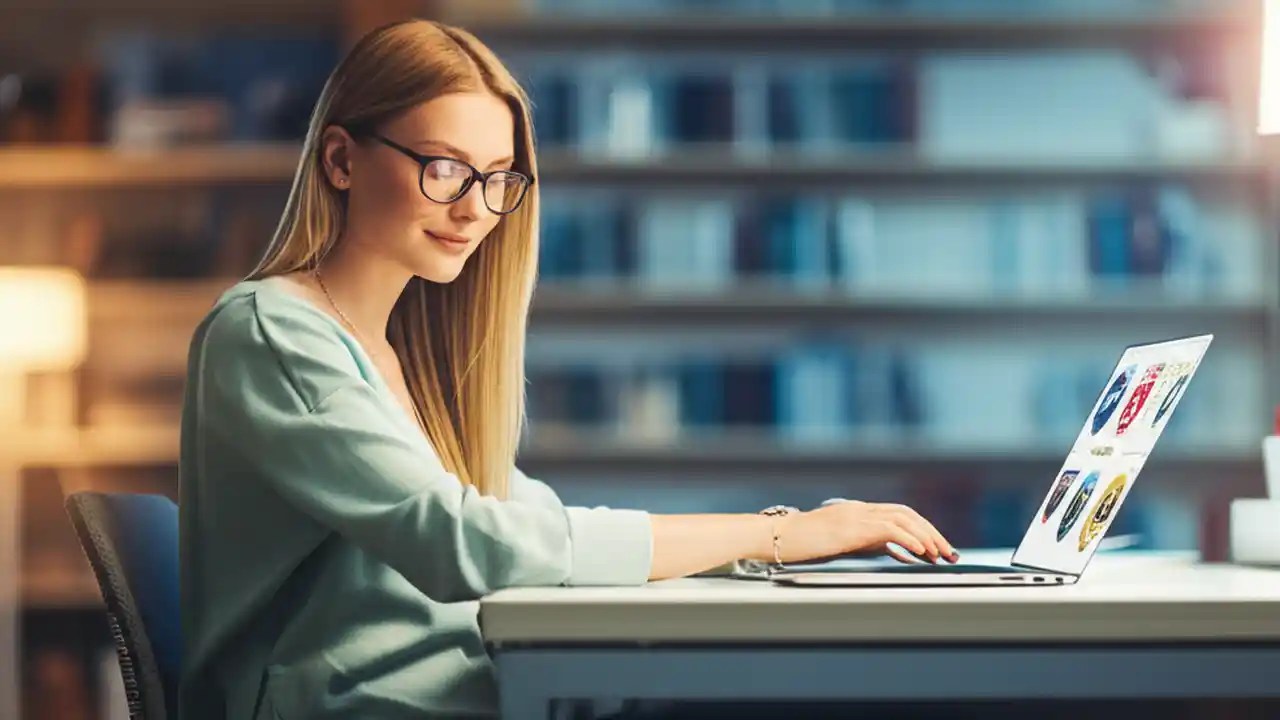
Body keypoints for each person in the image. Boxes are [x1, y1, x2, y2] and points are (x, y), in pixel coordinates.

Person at [178, 18, 958, 720]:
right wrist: (782, 535)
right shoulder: (269, 331)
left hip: (478, 690)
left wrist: (776, 536)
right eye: (445, 168)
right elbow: (469, 547)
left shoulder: (403, 351)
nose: (476, 209)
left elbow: (534, 524)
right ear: (343, 160)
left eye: (498, 179)